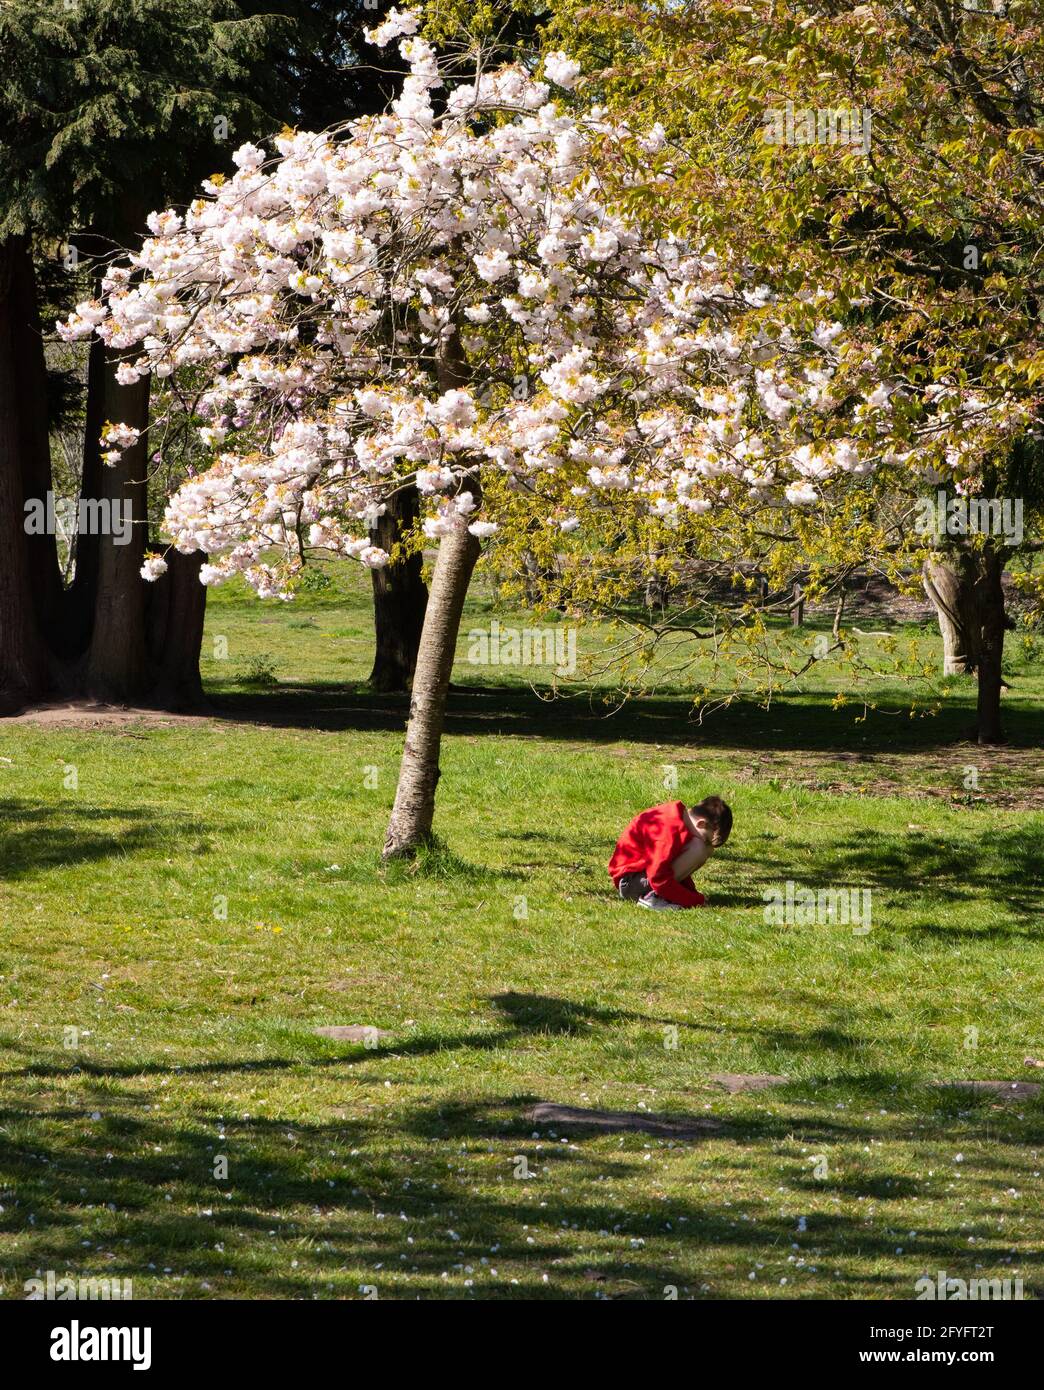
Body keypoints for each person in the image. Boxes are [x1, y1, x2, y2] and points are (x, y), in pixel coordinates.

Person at [609, 794, 732, 910]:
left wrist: (692, 894)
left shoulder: (680, 819)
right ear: (701, 824)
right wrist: (694, 900)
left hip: (644, 876)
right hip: (631, 883)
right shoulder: (668, 830)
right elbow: (658, 877)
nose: (706, 845)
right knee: (699, 849)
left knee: (703, 849)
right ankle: (651, 898)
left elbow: (671, 867)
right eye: (706, 839)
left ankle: (658, 895)